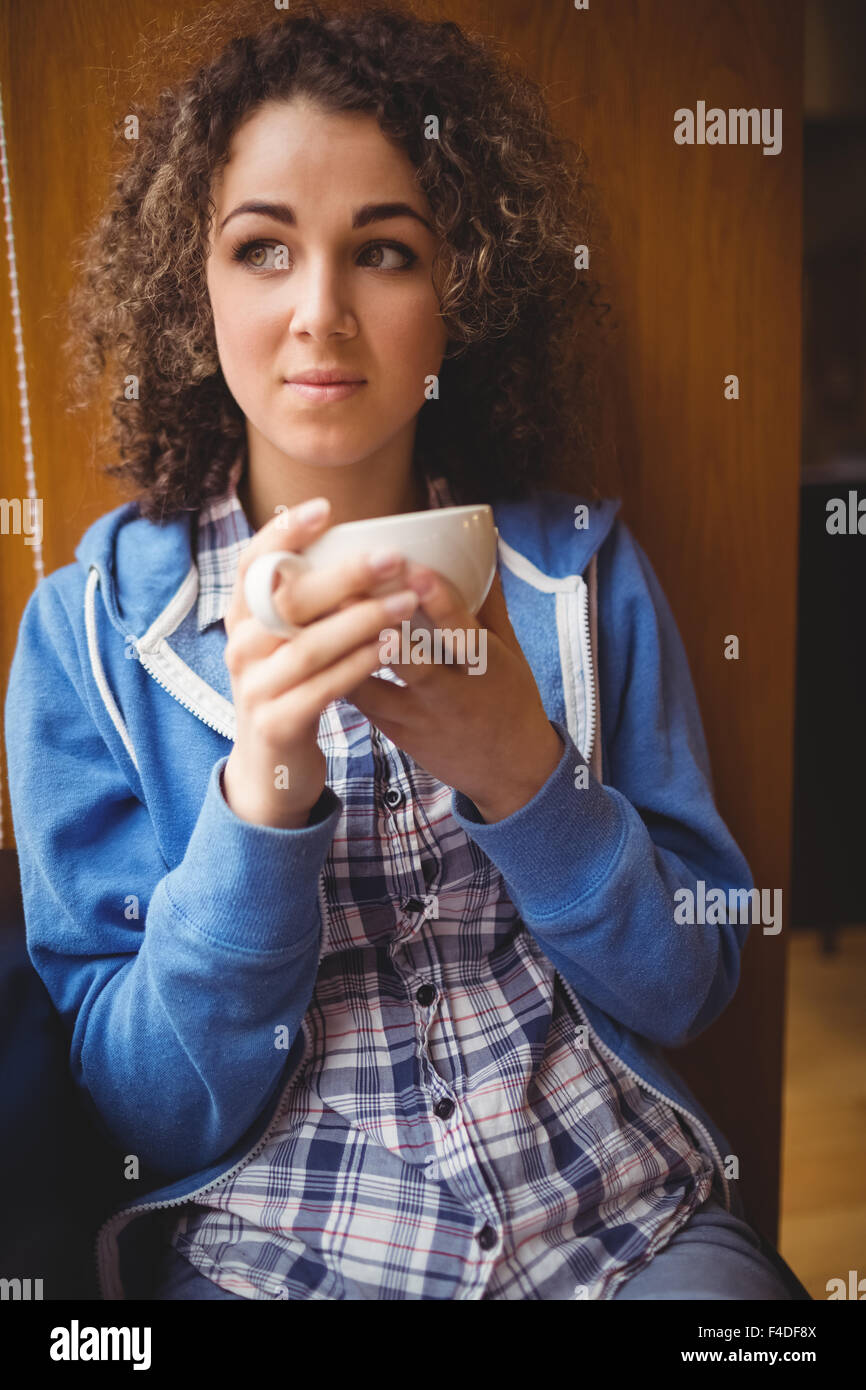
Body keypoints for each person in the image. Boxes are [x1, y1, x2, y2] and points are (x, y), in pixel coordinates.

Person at [4, 0, 797, 1301]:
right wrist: (262, 796)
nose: (319, 311)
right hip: (273, 1255)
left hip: (621, 1225)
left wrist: (526, 774)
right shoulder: (86, 632)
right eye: (262, 248)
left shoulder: (581, 572)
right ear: (190, 286)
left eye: (382, 250)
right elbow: (145, 1103)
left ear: (458, 294)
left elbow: (689, 981)